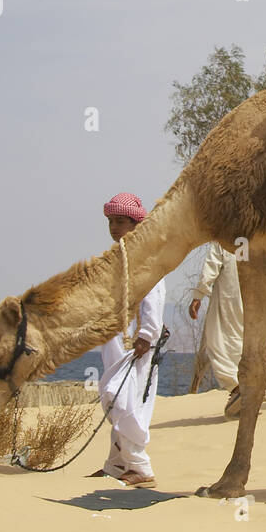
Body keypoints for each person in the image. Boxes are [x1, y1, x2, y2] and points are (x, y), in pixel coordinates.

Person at [93, 192, 166, 488]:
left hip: (136, 345)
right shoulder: (116, 258)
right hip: (114, 343)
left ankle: (141, 467)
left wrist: (147, 334)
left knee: (123, 401)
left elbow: (154, 297)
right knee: (114, 400)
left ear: (135, 224)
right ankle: (116, 465)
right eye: (111, 221)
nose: (114, 227)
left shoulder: (146, 259)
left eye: (120, 221)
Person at [188, 241, 263, 419]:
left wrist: (199, 295)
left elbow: (212, 263)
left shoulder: (225, 233)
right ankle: (255, 385)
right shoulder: (259, 231)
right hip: (256, 294)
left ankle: (239, 388)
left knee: (219, 341)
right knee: (248, 340)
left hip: (229, 297)